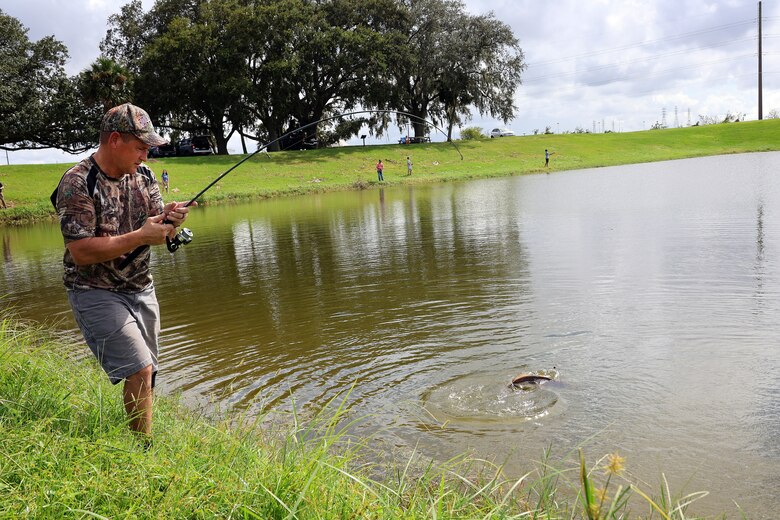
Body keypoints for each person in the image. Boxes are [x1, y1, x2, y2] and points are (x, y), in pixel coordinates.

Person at [53, 102, 194, 444]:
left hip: (141, 287)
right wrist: (139, 236)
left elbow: (160, 230)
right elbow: (81, 252)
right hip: (94, 290)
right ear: (115, 140)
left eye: (148, 148)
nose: (146, 156)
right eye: (141, 147)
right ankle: (142, 452)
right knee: (139, 368)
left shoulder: (144, 177)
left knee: (148, 371)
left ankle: (141, 440)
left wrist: (171, 221)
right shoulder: (77, 182)